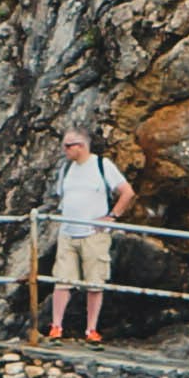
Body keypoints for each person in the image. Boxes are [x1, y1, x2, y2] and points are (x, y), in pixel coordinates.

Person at [47, 126, 135, 344]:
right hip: (68, 232)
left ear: (82, 146)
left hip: (94, 235)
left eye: (68, 146)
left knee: (95, 283)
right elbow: (61, 196)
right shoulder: (66, 168)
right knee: (62, 280)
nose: (65, 150)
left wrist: (111, 216)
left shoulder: (102, 166)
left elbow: (127, 192)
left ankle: (91, 329)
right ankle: (56, 326)